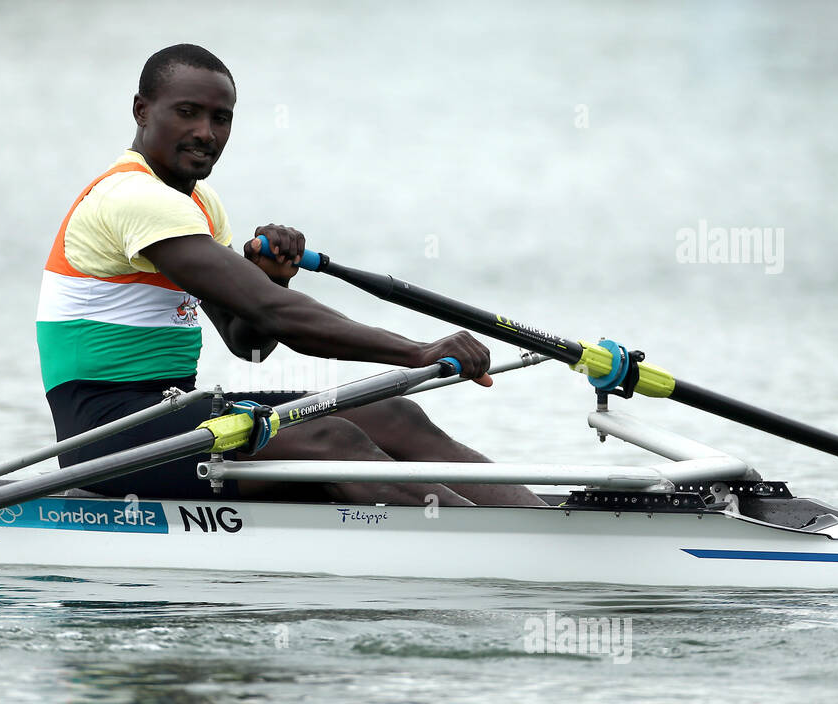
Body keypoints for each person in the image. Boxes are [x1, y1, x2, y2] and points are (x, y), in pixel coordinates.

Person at [38, 44, 541, 507]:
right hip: (107, 436)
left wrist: (270, 278)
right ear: (141, 110)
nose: (206, 133)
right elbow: (272, 315)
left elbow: (247, 343)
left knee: (394, 415)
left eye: (221, 118)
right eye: (187, 112)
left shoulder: (197, 204)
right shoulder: (131, 198)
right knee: (333, 439)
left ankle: (543, 525)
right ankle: (500, 547)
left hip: (173, 413)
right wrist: (417, 352)